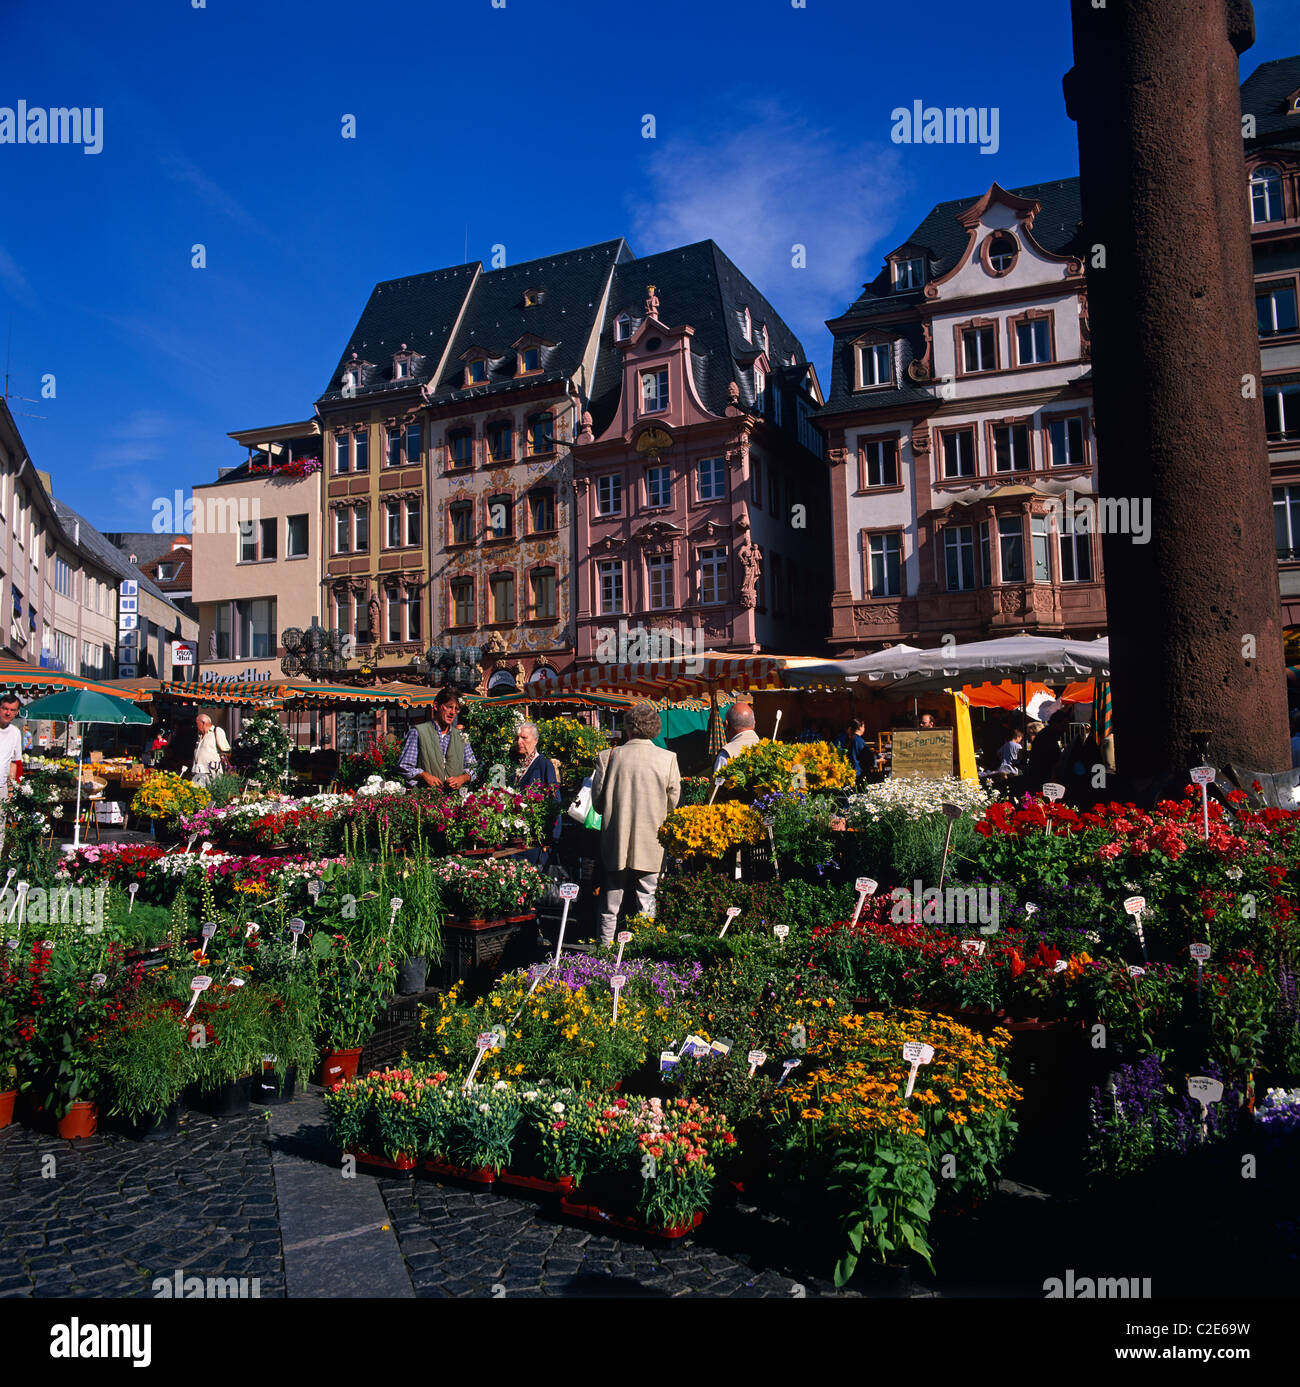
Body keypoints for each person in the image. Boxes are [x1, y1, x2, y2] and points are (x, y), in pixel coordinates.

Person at [590, 701, 681, 946]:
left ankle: (605, 949)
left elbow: (597, 803)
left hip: (615, 837)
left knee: (611, 900)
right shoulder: (668, 758)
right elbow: (673, 802)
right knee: (647, 897)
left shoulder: (608, 756)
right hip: (652, 838)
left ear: (629, 728)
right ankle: (644, 951)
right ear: (654, 728)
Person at [400, 688, 476, 790]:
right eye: (449, 707)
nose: (453, 712)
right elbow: (404, 766)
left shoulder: (461, 736)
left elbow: (474, 767)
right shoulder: (418, 732)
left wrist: (462, 778)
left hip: (455, 800)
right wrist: (424, 775)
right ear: (436, 706)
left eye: (456, 709)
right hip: (426, 799)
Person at [0, 693, 24, 857]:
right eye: (4, 708)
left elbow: (14, 762)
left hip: (1, 788)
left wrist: (11, 790)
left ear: (16, 712)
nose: (8, 713)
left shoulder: (15, 732)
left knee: (0, 831)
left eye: (12, 710)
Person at [1025, 708, 1072, 791]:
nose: (1066, 729)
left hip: (1042, 777)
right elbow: (1051, 761)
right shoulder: (1048, 736)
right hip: (1042, 779)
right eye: (1064, 726)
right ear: (1055, 723)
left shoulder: (1049, 734)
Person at [712, 702, 760, 776]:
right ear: (754, 723)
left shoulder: (726, 754)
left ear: (727, 725)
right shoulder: (770, 749)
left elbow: (716, 786)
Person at [191, 713, 231, 787]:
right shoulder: (200, 735)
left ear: (203, 723)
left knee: (212, 793)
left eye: (197, 724)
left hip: (211, 771)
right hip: (198, 770)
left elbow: (226, 750)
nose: (196, 726)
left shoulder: (217, 731)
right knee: (197, 793)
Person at [837, 717, 867, 783]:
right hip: (857, 773)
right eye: (864, 726)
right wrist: (878, 760)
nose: (864, 728)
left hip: (848, 771)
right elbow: (866, 758)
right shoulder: (858, 740)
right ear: (860, 727)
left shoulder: (848, 738)